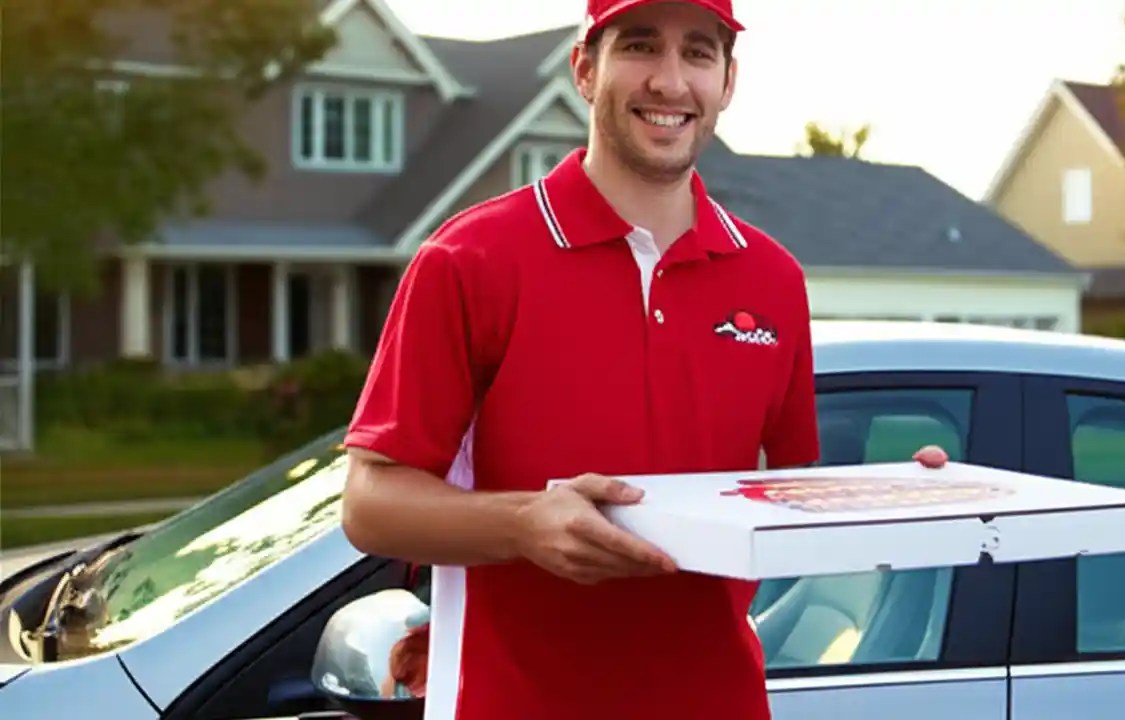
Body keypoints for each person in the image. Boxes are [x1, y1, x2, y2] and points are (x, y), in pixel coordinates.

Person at [340, 1, 947, 718]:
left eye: (697, 52)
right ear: (585, 68)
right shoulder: (469, 260)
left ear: (727, 81)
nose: (669, 81)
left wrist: (899, 498)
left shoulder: (773, 280)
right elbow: (370, 505)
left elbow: (781, 498)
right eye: (639, 46)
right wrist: (524, 525)